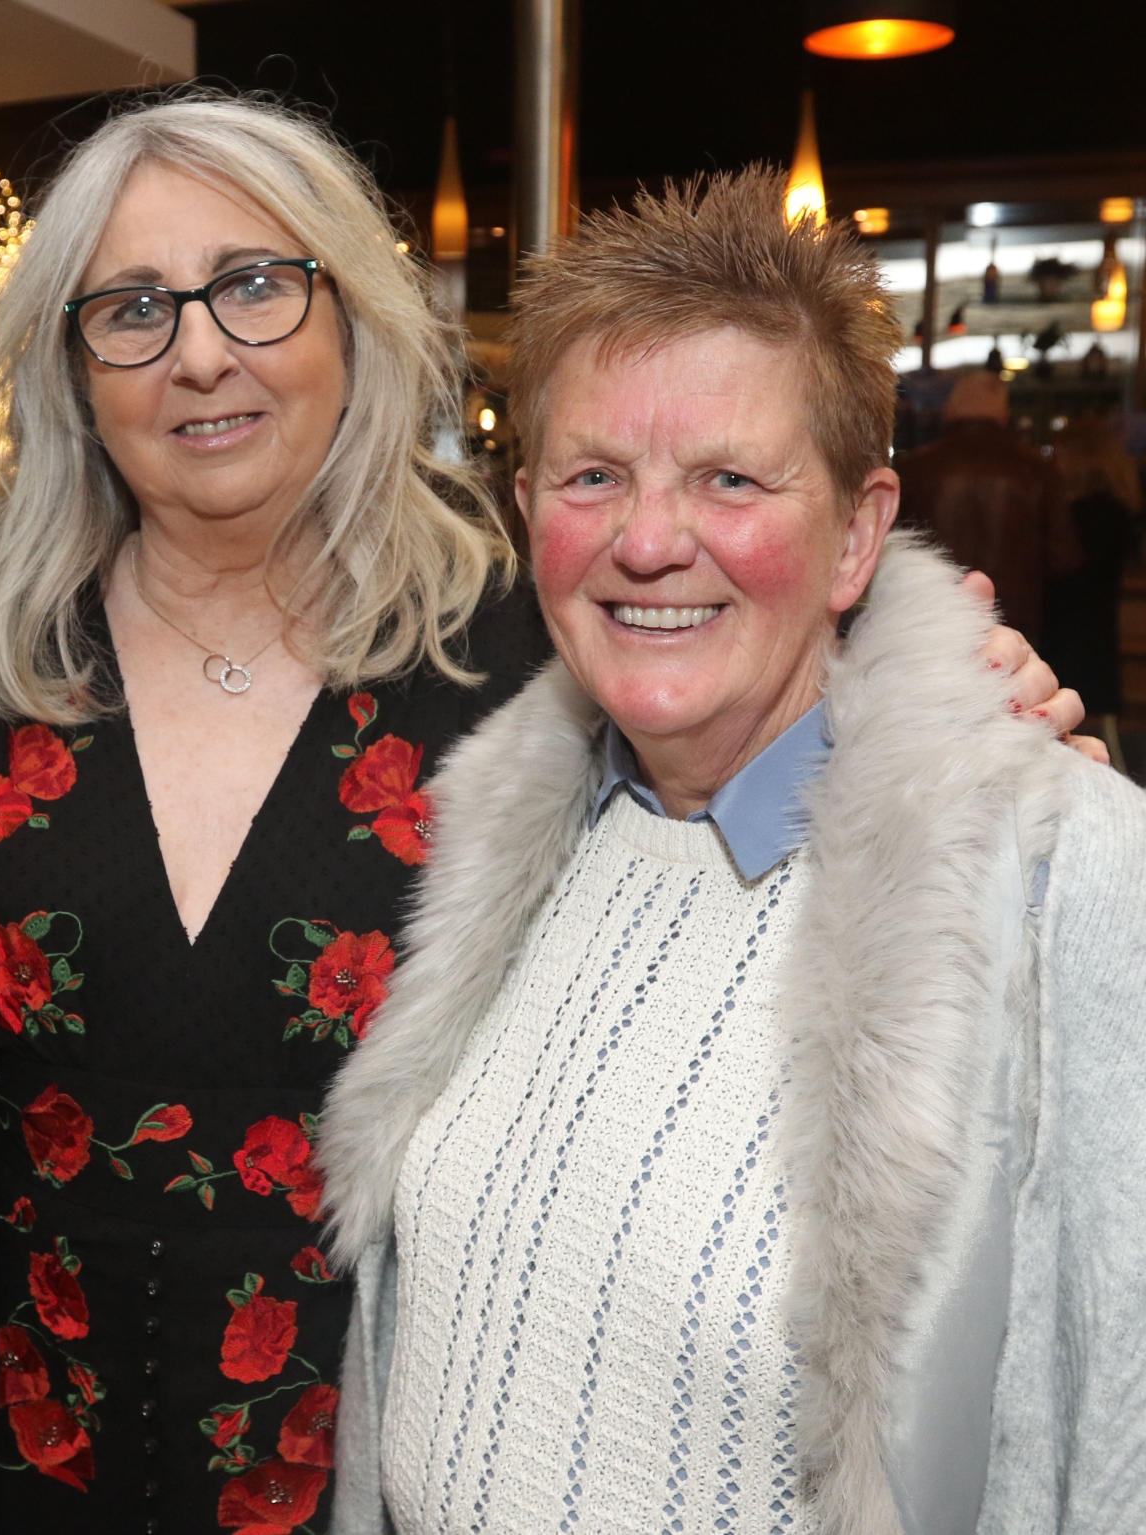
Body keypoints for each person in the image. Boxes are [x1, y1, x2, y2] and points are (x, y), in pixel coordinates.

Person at [0, 96, 1089, 1535]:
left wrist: (945, 678)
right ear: (76, 366)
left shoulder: (519, 644)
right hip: (12, 1462)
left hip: (401, 1441)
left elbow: (745, 644)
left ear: (348, 316)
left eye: (255, 286)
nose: (198, 352)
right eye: (132, 309)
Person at [317, 170, 1146, 1535]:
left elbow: (1114, 1424)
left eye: (729, 478)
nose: (649, 540)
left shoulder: (1057, 871)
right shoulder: (509, 839)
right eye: (595, 476)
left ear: (857, 533)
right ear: (533, 512)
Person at [897, 368, 1080, 640]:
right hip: (1011, 629)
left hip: (929, 625)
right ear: (1004, 415)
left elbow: (893, 553)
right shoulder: (1037, 469)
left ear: (949, 411)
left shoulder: (913, 468)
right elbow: (1063, 559)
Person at [1044, 415, 1141, 742]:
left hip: (1072, 638)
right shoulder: (1116, 510)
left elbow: (1068, 578)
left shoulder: (1085, 515)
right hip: (1096, 636)